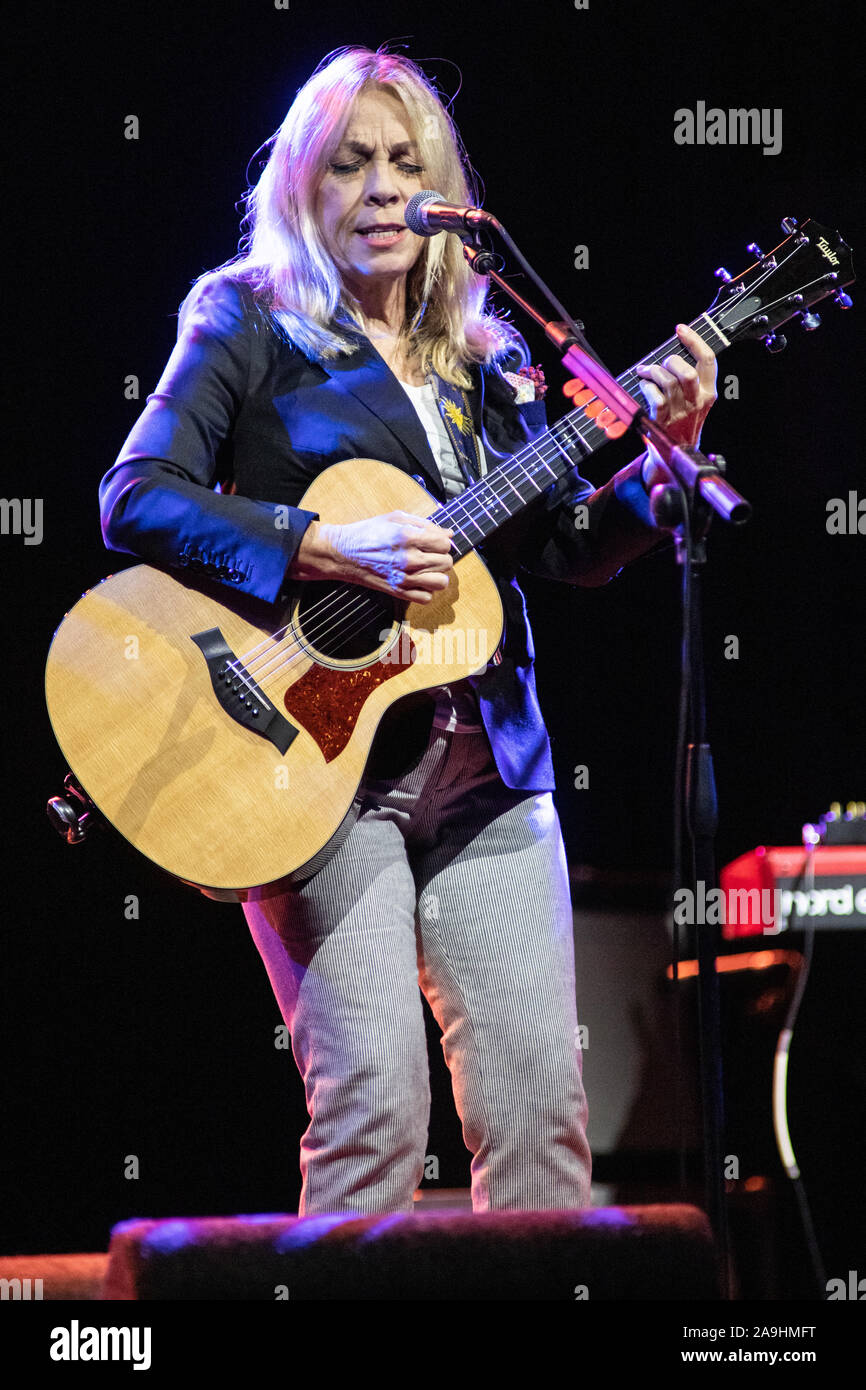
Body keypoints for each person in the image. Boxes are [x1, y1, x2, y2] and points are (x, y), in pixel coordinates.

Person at [99, 45, 717, 1216]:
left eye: (404, 164)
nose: (381, 190)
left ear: (445, 193)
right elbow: (135, 495)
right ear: (301, 186)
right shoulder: (244, 317)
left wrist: (663, 460)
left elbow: (566, 543)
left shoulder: (484, 354)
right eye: (349, 165)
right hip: (316, 763)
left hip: (490, 764)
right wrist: (317, 544)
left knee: (541, 1112)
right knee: (375, 1106)